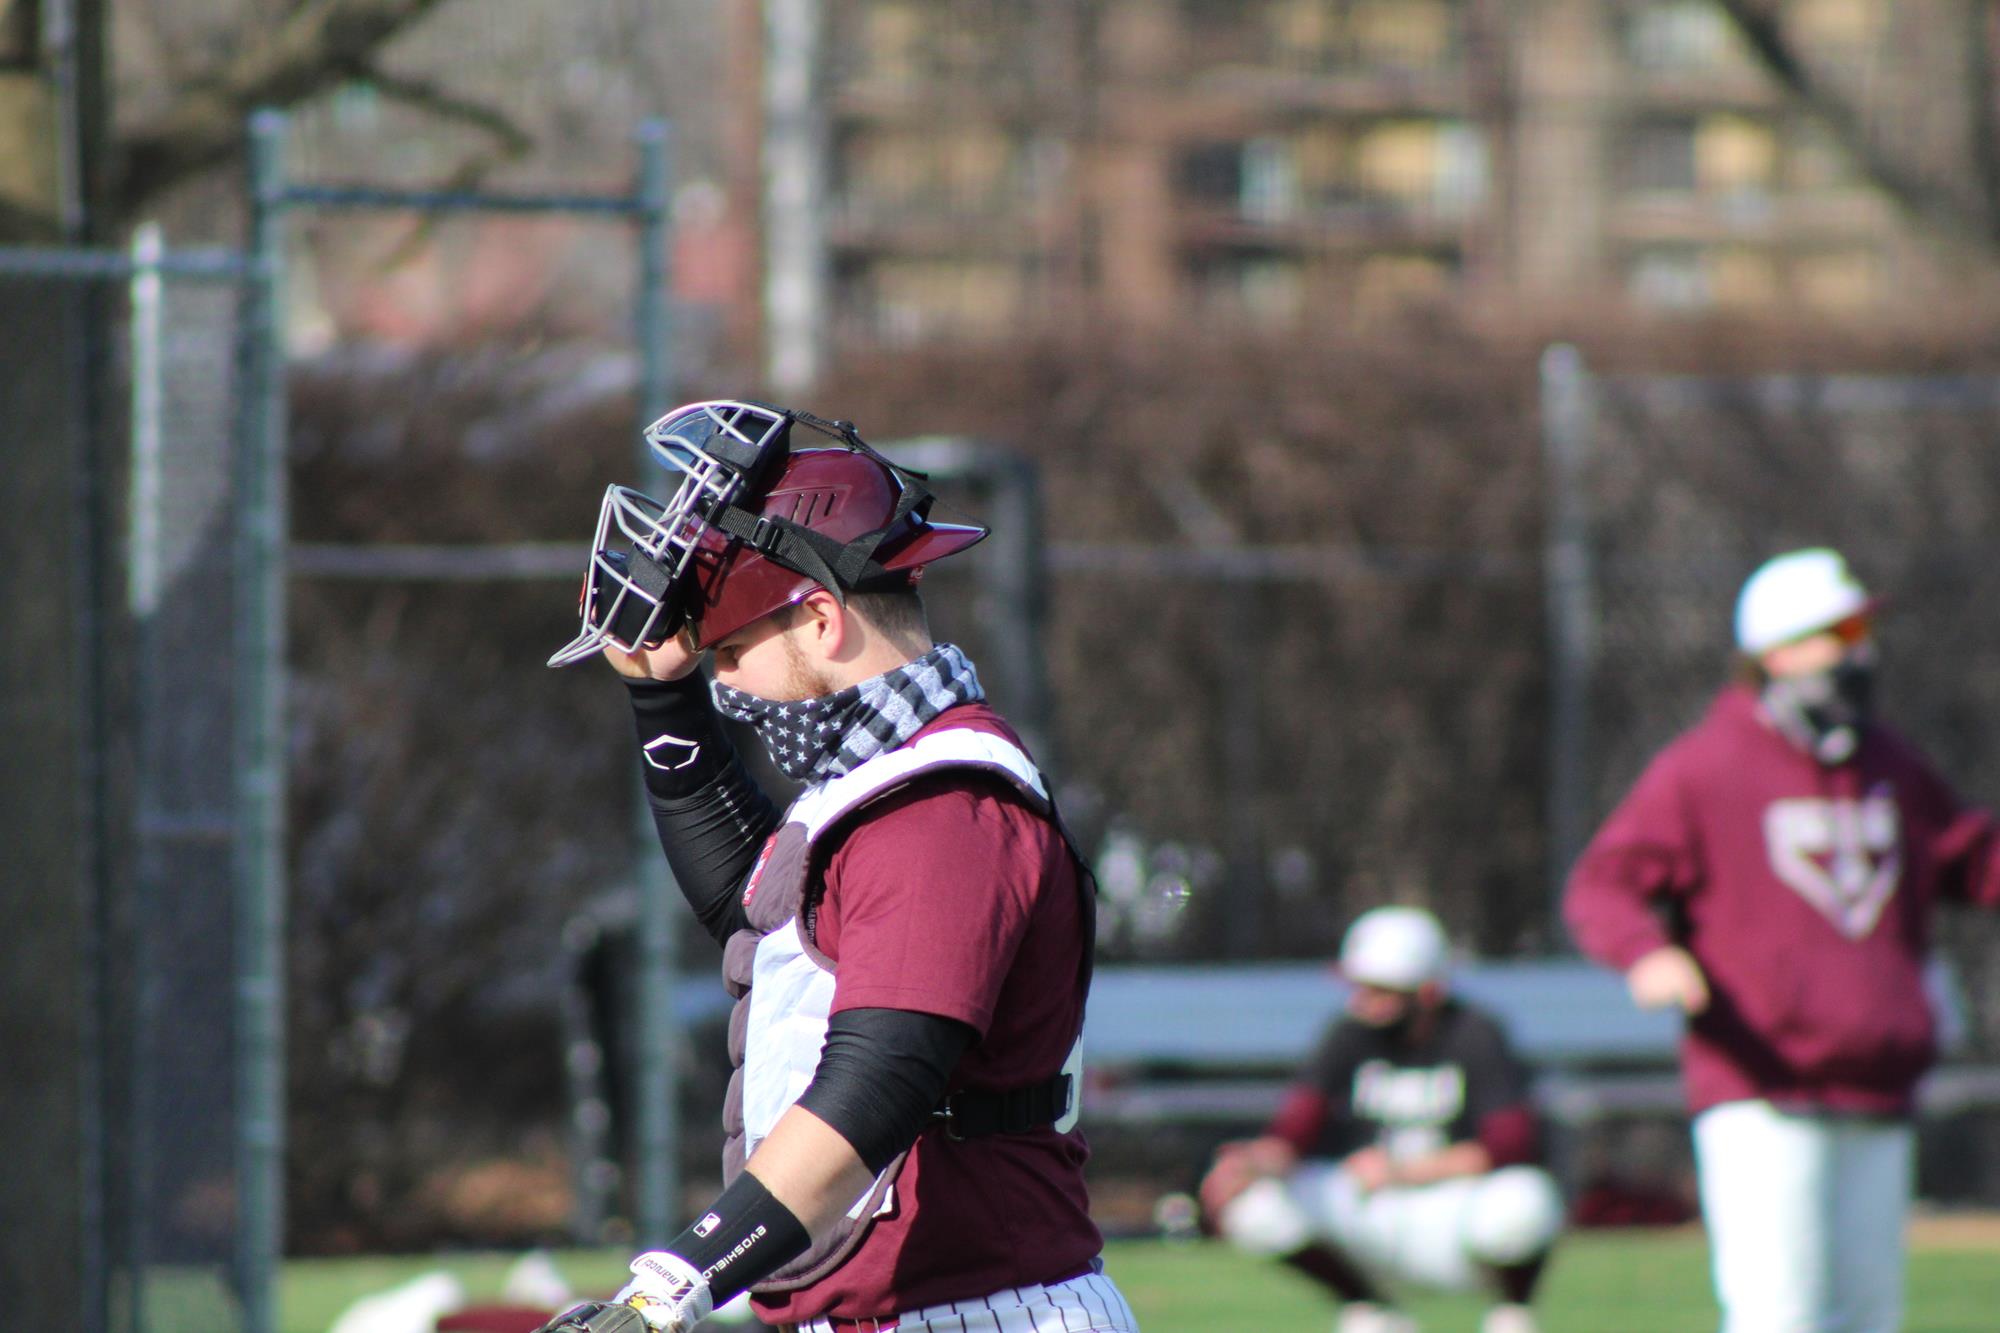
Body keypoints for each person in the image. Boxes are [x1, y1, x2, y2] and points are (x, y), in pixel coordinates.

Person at [540, 400, 1137, 1333]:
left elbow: (878, 1083)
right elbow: (763, 917)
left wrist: (669, 1287)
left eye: (731, 650)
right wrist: (665, 700)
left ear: (821, 617)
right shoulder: (877, 777)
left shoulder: (944, 808)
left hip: (980, 1311)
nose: (725, 681)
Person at [1563, 547, 2000, 1333]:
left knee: (1868, 1318)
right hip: (1763, 1086)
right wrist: (1647, 951)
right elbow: (1603, 883)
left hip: (1876, 1085)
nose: (1859, 652)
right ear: (1777, 651)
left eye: (1861, 630)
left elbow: (1975, 860)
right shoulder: (1704, 767)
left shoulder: (1887, 762)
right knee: (1780, 1315)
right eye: (1840, 632)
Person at [1197, 906, 1564, 1333]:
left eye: (1379, 990)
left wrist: (1405, 1172)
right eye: (1359, 987)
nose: (1363, 1002)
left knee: (1526, 1200)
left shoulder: (1474, 1032)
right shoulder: (1348, 1034)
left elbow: (1512, 1143)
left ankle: (1511, 1312)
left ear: (1426, 992)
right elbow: (1297, 1128)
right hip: (1371, 1212)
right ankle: (1372, 1309)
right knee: (1255, 1206)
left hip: (1454, 1213)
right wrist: (1254, 1163)